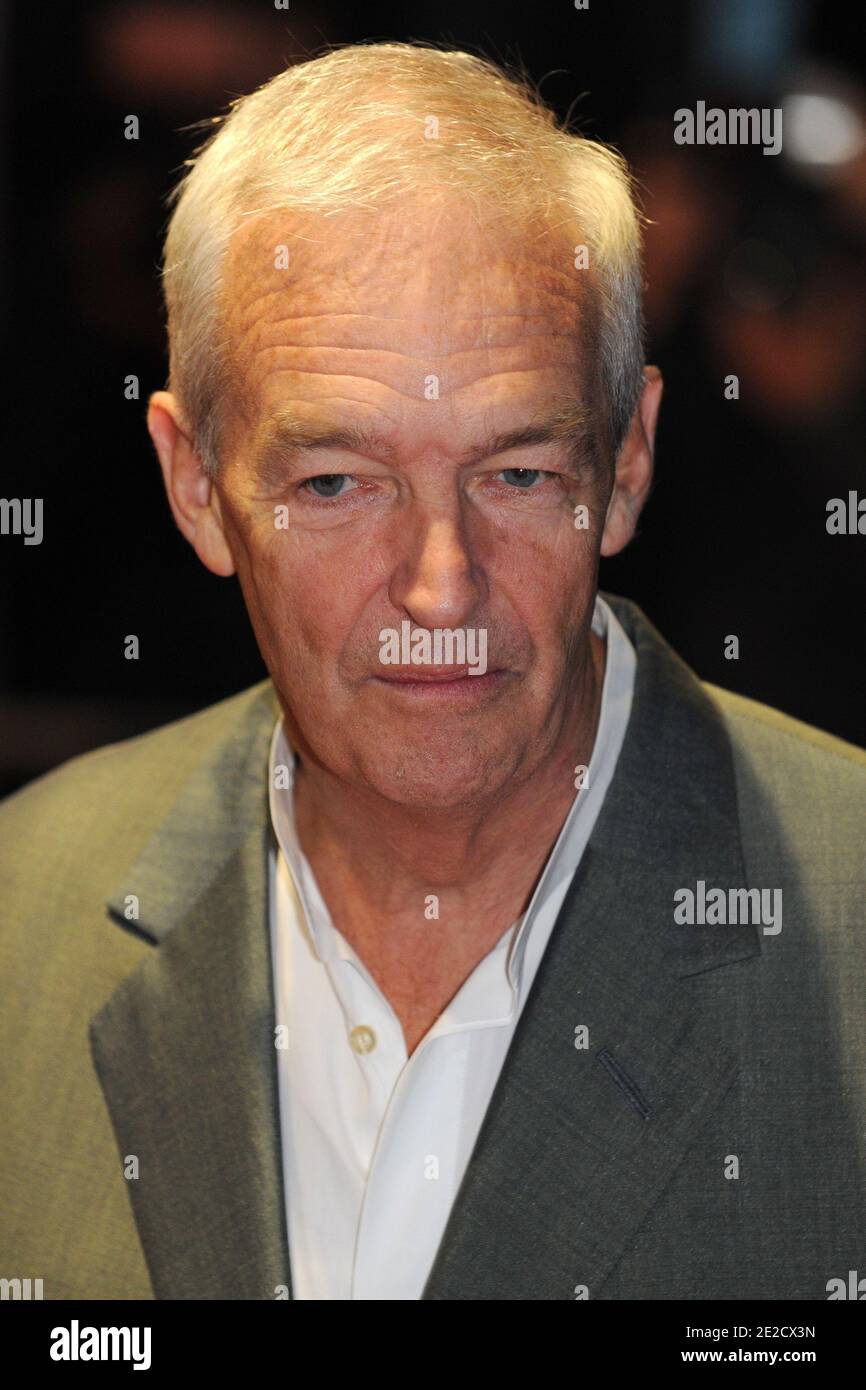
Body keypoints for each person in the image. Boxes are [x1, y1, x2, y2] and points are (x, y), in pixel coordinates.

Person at [1, 42, 864, 1302]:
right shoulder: (23, 908)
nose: (438, 586)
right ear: (195, 485)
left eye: (516, 472)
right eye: (336, 483)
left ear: (625, 465)